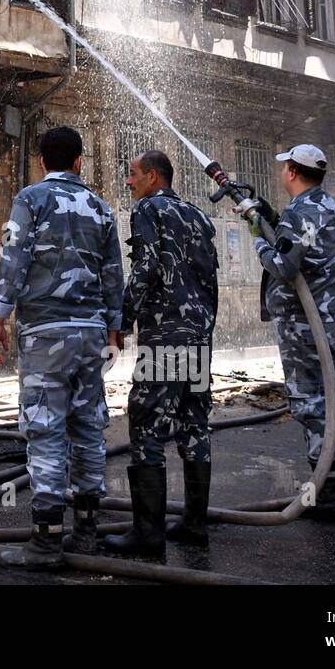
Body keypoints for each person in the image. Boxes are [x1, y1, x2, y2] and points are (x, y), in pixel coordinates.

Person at [0, 126, 124, 569]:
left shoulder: (31, 199)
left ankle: (45, 543)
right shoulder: (101, 208)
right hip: (90, 334)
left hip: (46, 331)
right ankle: (85, 532)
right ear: (79, 161)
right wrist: (114, 329)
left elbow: (13, 257)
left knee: (45, 429)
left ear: (42, 161)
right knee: (87, 427)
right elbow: (114, 273)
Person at [246, 144, 335, 520]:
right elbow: (301, 241)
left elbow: (284, 266)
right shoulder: (326, 205)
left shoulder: (299, 212)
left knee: (311, 404)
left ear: (293, 172)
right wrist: (269, 214)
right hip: (331, 323)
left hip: (304, 327)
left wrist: (257, 237)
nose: (281, 170)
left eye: (284, 165)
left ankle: (326, 493)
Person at [104, 150, 219, 557]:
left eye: (133, 175)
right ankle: (194, 523)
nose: (129, 182)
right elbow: (209, 280)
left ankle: (148, 534)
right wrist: (203, 328)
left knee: (147, 423)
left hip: (166, 335)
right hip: (197, 335)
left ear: (153, 177)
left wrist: (119, 322)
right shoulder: (198, 216)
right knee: (194, 420)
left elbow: (146, 270)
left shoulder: (149, 210)